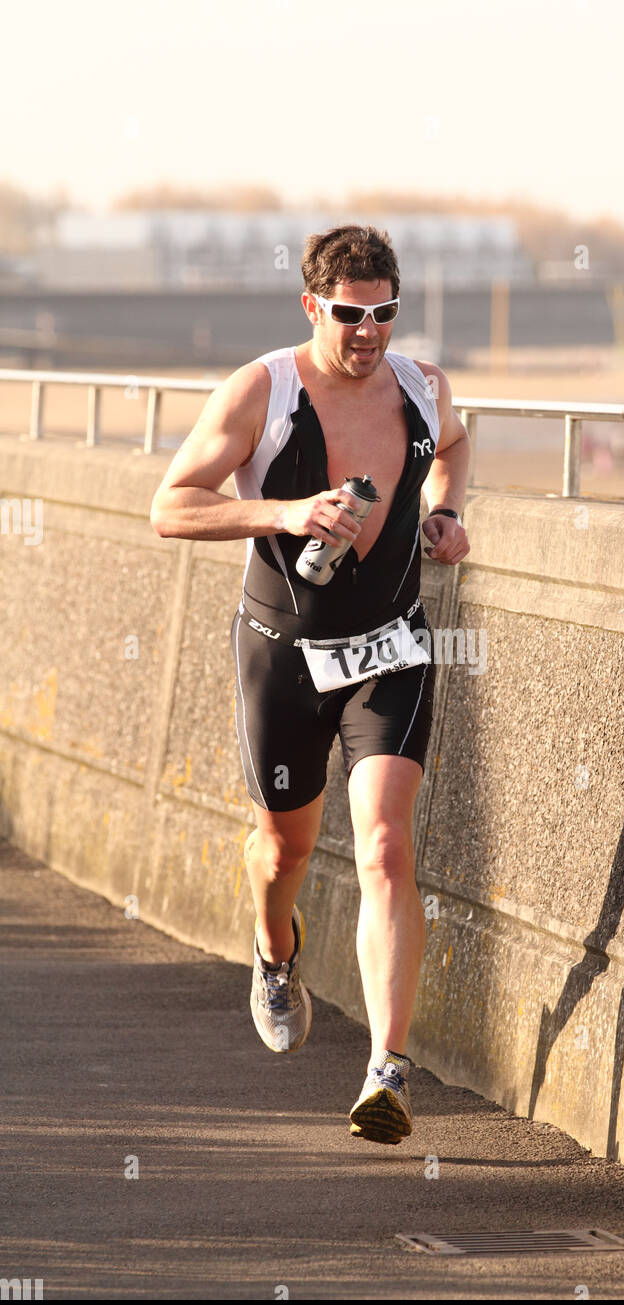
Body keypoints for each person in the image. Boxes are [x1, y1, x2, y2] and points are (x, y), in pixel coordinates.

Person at [150, 225, 470, 1144]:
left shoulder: (422, 385)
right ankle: (274, 952)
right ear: (311, 306)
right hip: (284, 653)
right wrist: (287, 510)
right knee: (285, 853)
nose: (368, 331)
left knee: (383, 850)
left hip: (393, 647)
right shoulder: (263, 390)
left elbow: (454, 445)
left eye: (384, 313)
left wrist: (446, 514)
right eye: (349, 314)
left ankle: (387, 1071)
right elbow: (171, 505)